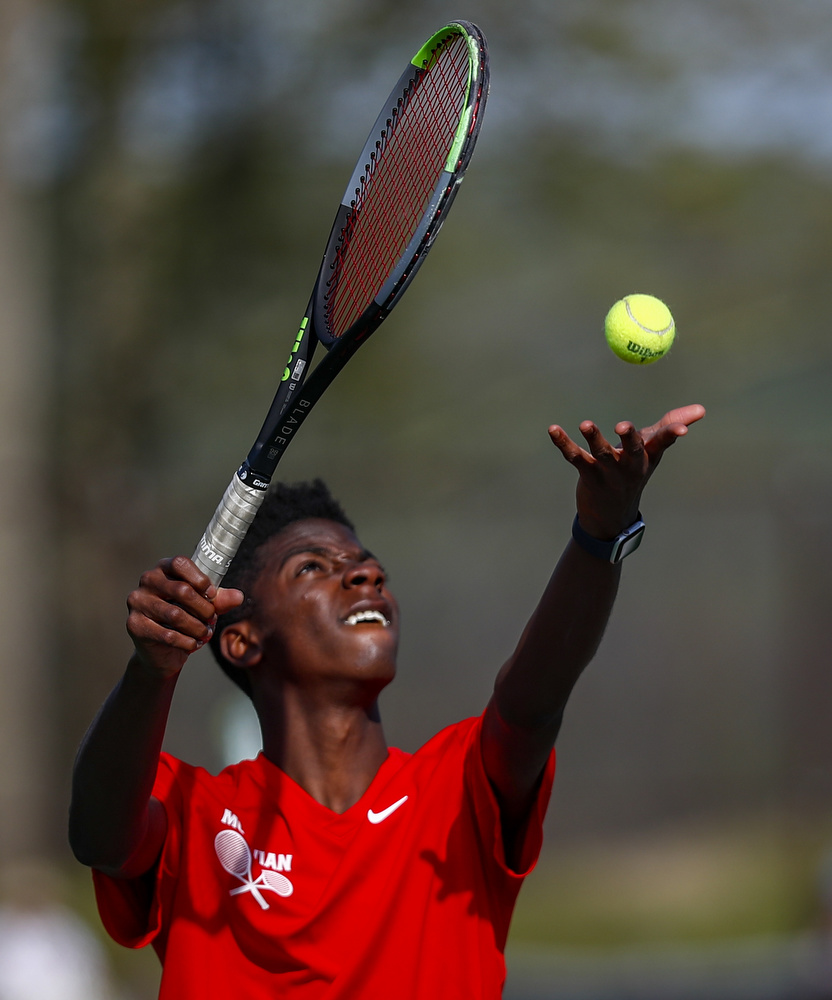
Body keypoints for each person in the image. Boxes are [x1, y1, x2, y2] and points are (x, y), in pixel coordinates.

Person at [69, 404, 705, 999]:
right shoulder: (195, 814)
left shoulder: (455, 791)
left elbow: (534, 698)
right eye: (311, 568)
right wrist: (151, 670)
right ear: (240, 640)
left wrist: (598, 537)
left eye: (369, 567)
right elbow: (100, 833)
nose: (365, 575)